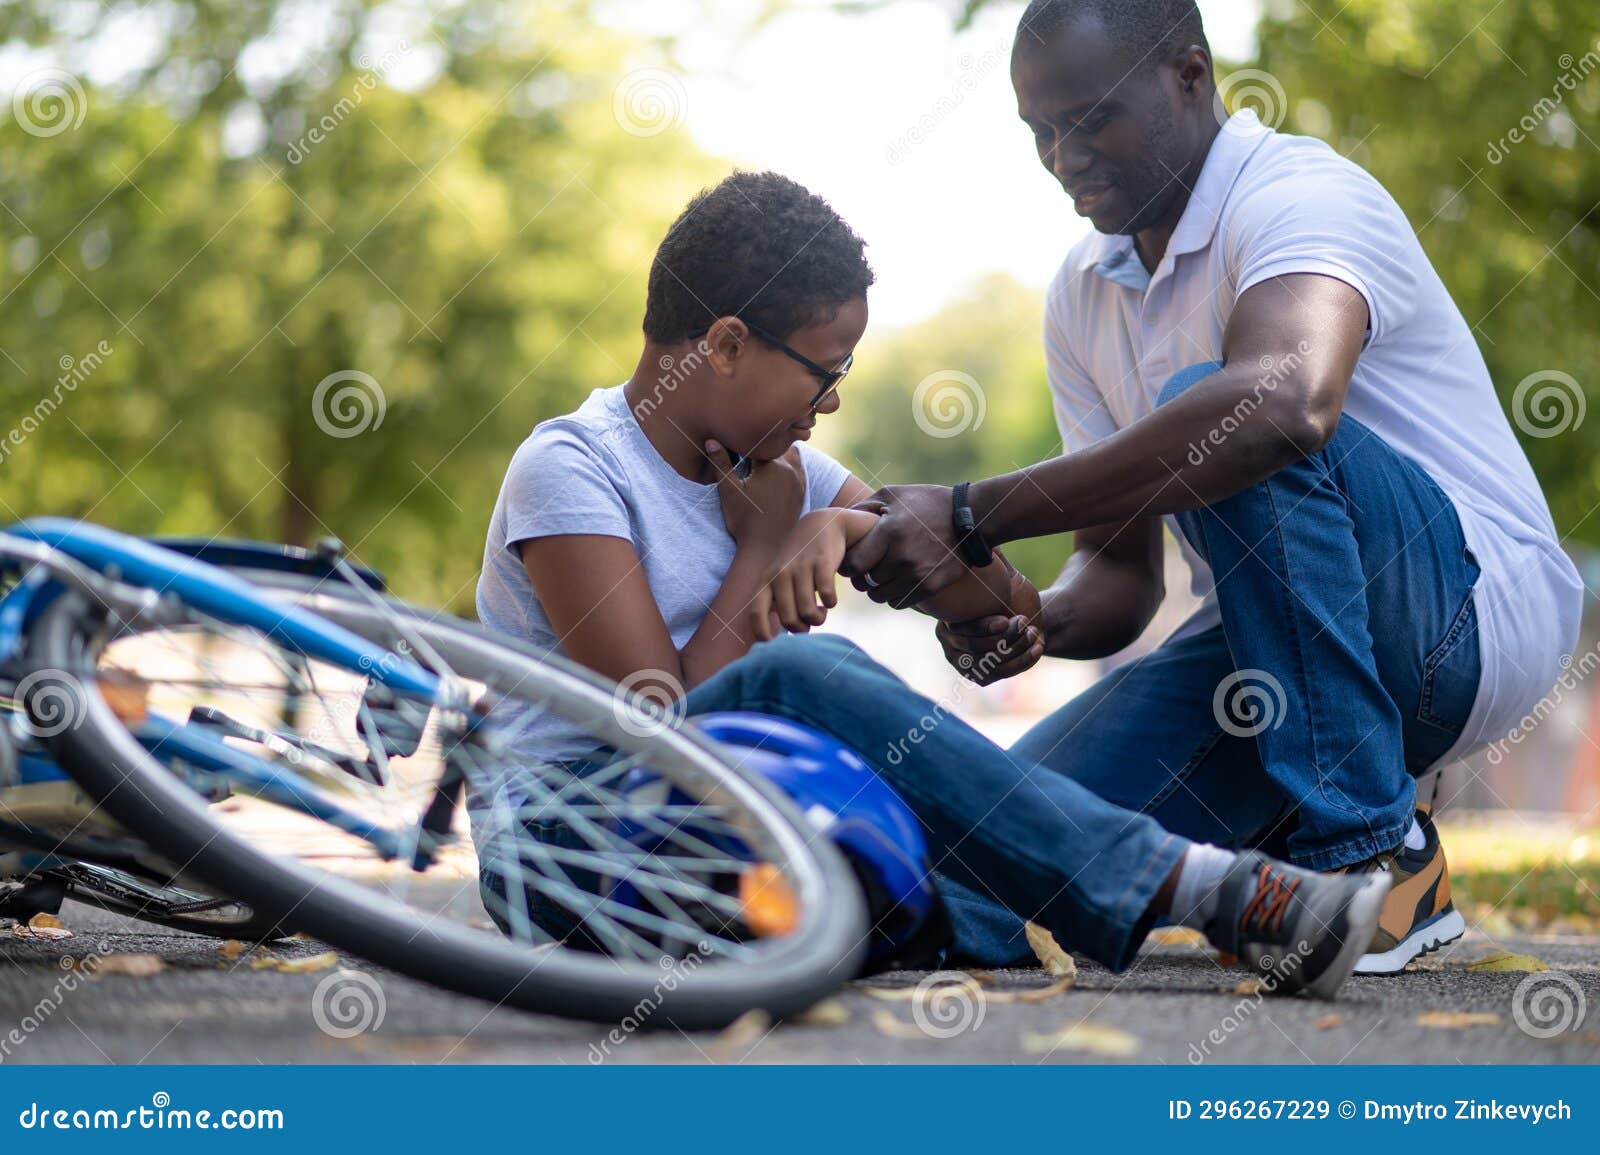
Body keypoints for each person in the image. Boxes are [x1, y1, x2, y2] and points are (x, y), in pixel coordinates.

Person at [476, 169, 1389, 997]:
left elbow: (1006, 602)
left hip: (721, 836)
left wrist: (858, 533)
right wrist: (762, 549)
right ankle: (1200, 886)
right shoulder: (574, 467)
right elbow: (659, 719)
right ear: (722, 344)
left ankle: (994, 914)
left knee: (927, 864)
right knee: (805, 678)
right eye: (824, 371)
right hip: (566, 844)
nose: (829, 402)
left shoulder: (793, 475)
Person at [837, 0, 1583, 974]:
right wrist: (1037, 625)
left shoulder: (1299, 194)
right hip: (1275, 661)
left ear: (1189, 76)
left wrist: (973, 513)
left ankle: (1371, 855)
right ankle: (1286, 850)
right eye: (1040, 132)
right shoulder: (1083, 292)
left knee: (1223, 406)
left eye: (1090, 117)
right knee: (986, 859)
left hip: (1466, 624)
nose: (1064, 156)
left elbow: (1286, 407)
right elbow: (1119, 578)